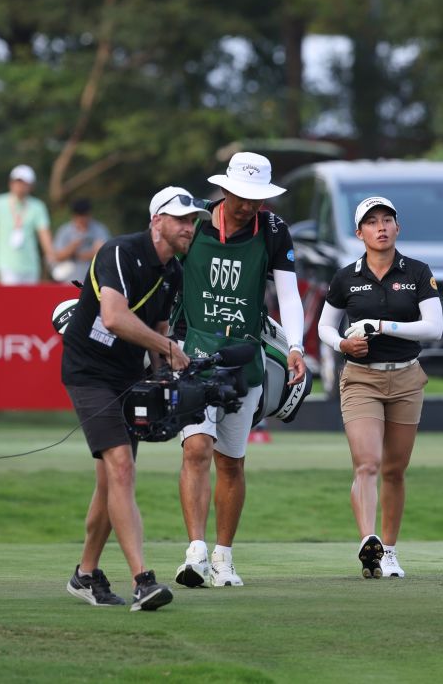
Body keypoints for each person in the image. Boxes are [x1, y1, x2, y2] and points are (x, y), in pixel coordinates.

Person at [61, 186, 206, 611]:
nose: (189, 227)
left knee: (111, 480)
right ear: (156, 220)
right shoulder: (119, 252)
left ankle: (85, 575)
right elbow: (114, 316)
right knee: (121, 468)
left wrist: (165, 381)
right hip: (89, 373)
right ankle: (144, 581)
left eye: (193, 220)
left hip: (128, 377)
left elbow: (159, 327)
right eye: (181, 219)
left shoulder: (174, 272)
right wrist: (167, 348)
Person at [173, 154, 307, 588]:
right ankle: (194, 551)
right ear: (225, 189)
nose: (249, 205)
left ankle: (223, 557)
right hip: (192, 353)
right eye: (242, 196)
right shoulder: (191, 223)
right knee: (195, 448)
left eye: (257, 198)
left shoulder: (272, 229)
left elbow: (287, 294)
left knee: (230, 462)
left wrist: (296, 345)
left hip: (243, 357)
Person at [317, 196, 443, 579]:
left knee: (394, 470)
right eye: (372, 222)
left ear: (397, 228)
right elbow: (324, 326)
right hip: (360, 378)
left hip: (406, 378)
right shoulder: (346, 277)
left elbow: (434, 327)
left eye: (387, 220)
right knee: (368, 463)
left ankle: (389, 551)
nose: (381, 227)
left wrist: (381, 326)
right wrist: (342, 343)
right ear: (360, 233)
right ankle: (368, 541)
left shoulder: (418, 272)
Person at [0, 164, 55, 284]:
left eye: (24, 182)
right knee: (11, 299)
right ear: (11, 183)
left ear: (31, 186)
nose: (20, 186)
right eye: (17, 181)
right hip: (6, 264)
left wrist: (52, 258)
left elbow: (44, 235)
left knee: (29, 301)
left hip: (31, 265)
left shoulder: (37, 207)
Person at [52, 199, 111, 283]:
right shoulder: (65, 231)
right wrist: (72, 247)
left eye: (85, 215)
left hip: (94, 280)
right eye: (79, 216)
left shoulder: (99, 230)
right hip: (69, 281)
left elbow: (106, 255)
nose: (82, 219)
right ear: (74, 215)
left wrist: (78, 255)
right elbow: (57, 256)